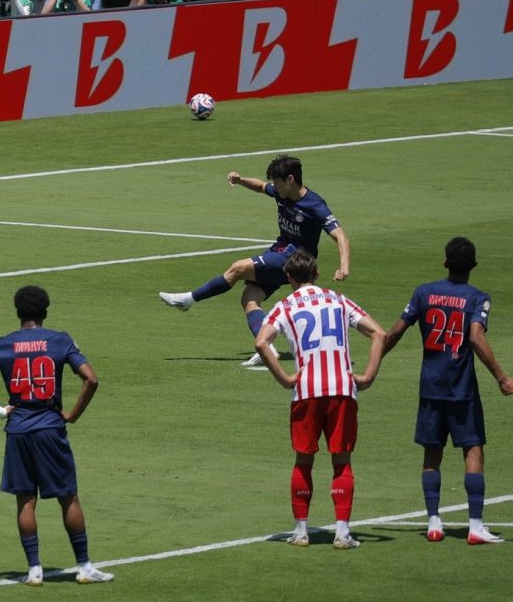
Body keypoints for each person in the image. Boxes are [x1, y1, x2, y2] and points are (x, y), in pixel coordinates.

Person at [0, 285, 114, 587]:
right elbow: (91, 379)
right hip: (50, 428)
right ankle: (84, 566)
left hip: (17, 430)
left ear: (18, 312)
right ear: (45, 311)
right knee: (67, 496)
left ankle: (34, 571)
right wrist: (72, 415)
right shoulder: (60, 340)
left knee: (25, 500)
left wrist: (0, 411)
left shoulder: (3, 345)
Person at [160, 157, 354, 369]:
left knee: (238, 268)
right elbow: (261, 186)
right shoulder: (282, 192)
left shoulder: (314, 204)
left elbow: (341, 236)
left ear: (290, 179)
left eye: (277, 181)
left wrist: (344, 267)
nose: (274, 185)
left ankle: (188, 300)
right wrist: (240, 180)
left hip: (296, 260)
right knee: (249, 298)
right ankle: (267, 349)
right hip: (280, 250)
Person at [380, 236, 513, 545]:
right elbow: (477, 338)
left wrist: (374, 365)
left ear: (445, 262)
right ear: (474, 265)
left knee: (432, 453)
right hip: (461, 389)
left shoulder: (424, 292)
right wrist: (502, 377)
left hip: (430, 387)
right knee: (473, 449)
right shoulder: (477, 298)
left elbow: (395, 332)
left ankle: (433, 523)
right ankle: (476, 526)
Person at [253, 250, 388, 550]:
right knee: (342, 463)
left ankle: (301, 532)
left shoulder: (284, 305)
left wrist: (284, 378)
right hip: (342, 388)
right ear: (316, 273)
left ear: (289, 278)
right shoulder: (338, 299)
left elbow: (261, 341)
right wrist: (368, 376)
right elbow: (379, 333)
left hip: (306, 391)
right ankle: (342, 533)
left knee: (304, 461)